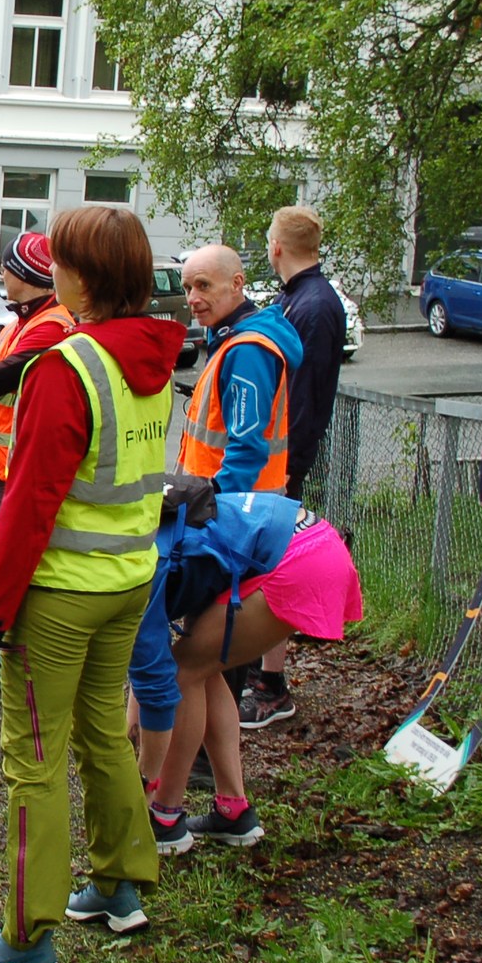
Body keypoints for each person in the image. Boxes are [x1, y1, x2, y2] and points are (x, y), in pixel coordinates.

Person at [0, 206, 184, 963]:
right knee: (102, 735)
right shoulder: (153, 354)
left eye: (61, 261)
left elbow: (29, 501)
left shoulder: (68, 366)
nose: (50, 271)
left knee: (36, 760)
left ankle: (27, 934)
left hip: (60, 593)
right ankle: (120, 886)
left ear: (83, 276)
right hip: (128, 578)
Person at [146, 484, 362, 853]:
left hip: (298, 559)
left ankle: (164, 817)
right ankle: (233, 811)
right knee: (204, 666)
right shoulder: (150, 524)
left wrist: (142, 774)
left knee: (183, 671)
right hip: (311, 538)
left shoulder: (143, 559)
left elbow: (149, 674)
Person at [177, 244, 305, 736]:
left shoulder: (248, 350)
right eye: (188, 286)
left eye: (203, 285)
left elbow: (246, 450)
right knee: (213, 640)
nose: (192, 296)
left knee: (213, 644)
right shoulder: (232, 339)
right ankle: (207, 749)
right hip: (235, 510)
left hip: (233, 517)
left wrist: (207, 511)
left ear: (237, 283)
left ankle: (207, 754)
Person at [246, 205, 349, 729]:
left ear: (279, 246)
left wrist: (287, 471)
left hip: (284, 463)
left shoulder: (314, 306)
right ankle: (254, 668)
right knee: (256, 562)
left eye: (268, 238)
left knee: (272, 567)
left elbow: (306, 400)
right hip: (274, 458)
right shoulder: (296, 299)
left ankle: (272, 683)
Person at [0, 232, 76, 696]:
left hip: (12, 467)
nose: (0, 274)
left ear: (24, 274)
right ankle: (3, 653)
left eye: (6, 267)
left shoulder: (52, 323)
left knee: (14, 566)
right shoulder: (18, 323)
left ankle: (13, 660)